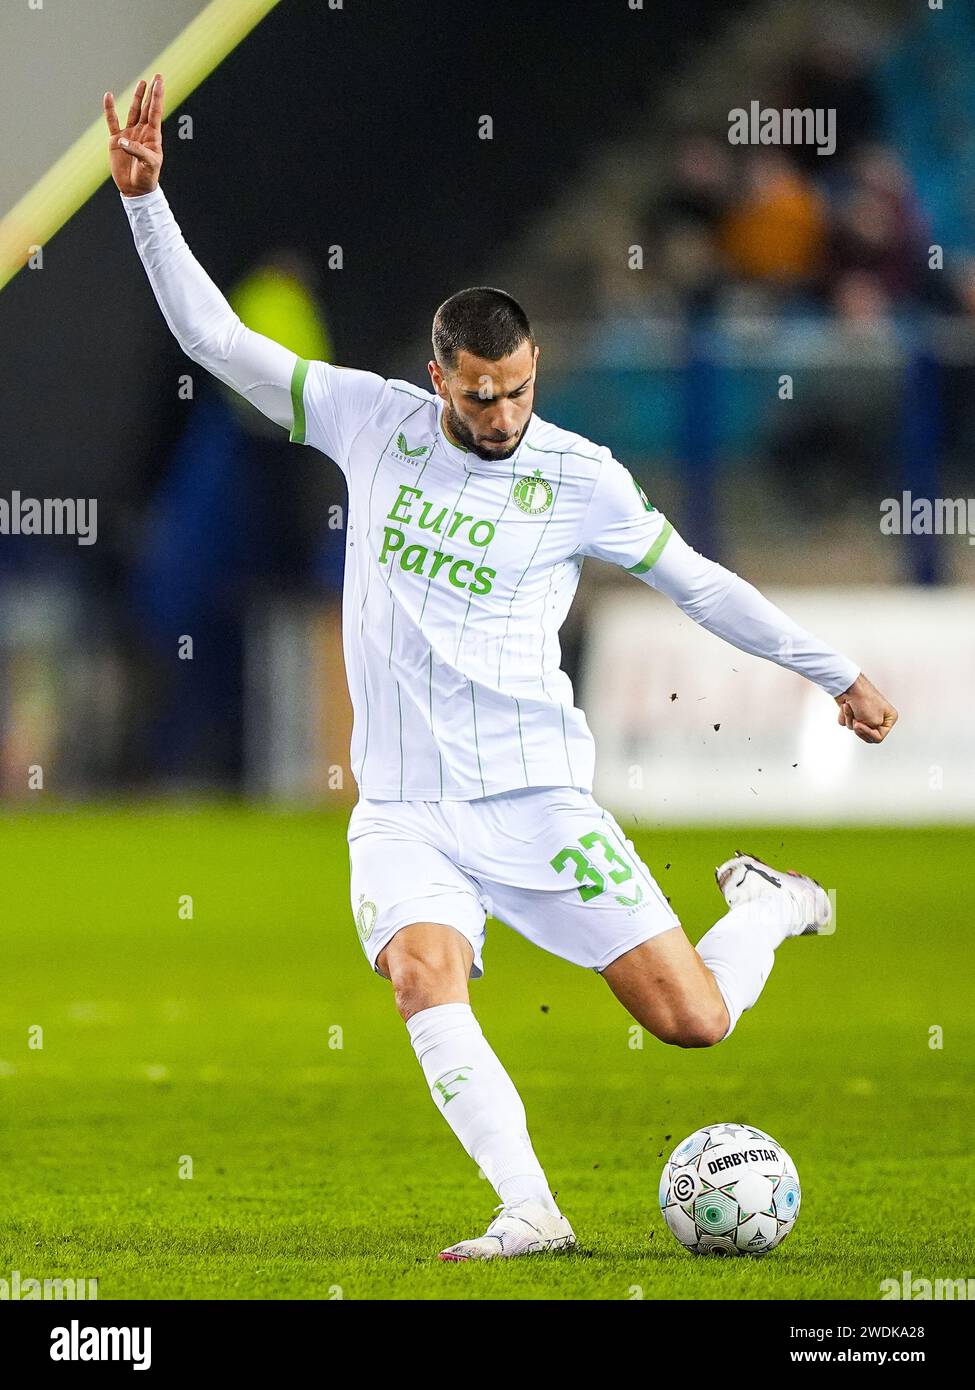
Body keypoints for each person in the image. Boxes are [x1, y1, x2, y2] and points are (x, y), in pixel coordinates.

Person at [105, 76, 898, 1261]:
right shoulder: (368, 422)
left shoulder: (579, 474)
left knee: (694, 1020)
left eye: (519, 389)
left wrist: (835, 670)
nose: (503, 412)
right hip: (408, 807)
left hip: (537, 797)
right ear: (441, 379)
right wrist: (146, 201)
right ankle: (532, 1208)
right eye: (481, 395)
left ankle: (767, 905)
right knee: (425, 977)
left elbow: (698, 581)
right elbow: (214, 340)